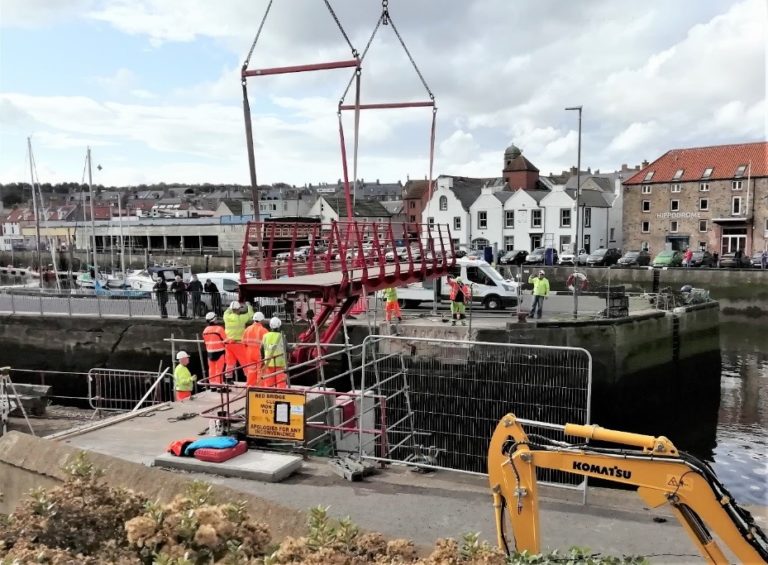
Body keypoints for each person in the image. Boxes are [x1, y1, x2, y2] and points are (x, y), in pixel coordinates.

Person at [223, 300, 254, 380]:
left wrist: (231, 306)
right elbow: (251, 315)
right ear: (238, 309)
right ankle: (249, 378)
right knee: (245, 361)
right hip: (238, 343)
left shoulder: (226, 317)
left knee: (230, 362)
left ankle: (228, 379)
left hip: (228, 344)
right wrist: (248, 305)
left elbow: (226, 312)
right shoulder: (241, 318)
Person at [242, 312, 268, 387]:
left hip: (249, 352)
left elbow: (243, 342)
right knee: (261, 370)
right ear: (261, 320)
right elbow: (267, 344)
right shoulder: (263, 330)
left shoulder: (247, 329)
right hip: (259, 352)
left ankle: (250, 386)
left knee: (251, 370)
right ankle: (260, 386)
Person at [202, 312, 227, 385]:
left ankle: (212, 386)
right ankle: (219, 386)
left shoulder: (205, 330)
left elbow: (205, 341)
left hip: (210, 353)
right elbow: (225, 340)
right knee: (219, 370)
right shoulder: (219, 329)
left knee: (211, 370)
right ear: (214, 319)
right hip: (220, 352)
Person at [261, 317, 287, 388]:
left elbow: (262, 349)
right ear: (279, 326)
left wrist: (262, 360)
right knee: (280, 382)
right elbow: (287, 349)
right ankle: (281, 395)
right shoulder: (282, 336)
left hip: (268, 363)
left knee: (269, 382)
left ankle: (269, 394)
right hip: (279, 363)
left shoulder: (265, 336)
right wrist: (294, 348)